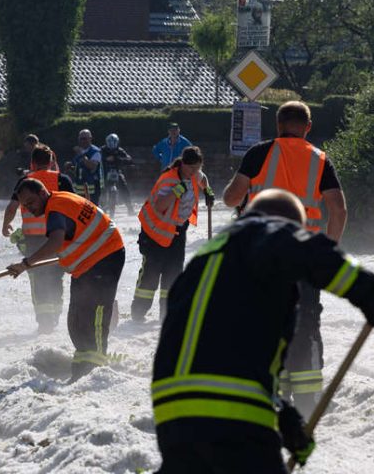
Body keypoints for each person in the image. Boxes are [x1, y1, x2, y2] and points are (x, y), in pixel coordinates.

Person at [151, 189, 374, 474]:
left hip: (173, 415)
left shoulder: (205, 261)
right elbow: (311, 250)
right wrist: (370, 292)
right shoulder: (266, 230)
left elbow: (224, 356)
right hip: (234, 414)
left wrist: (286, 423)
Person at [221, 100, 346, 418]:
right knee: (305, 325)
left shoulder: (259, 153)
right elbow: (339, 210)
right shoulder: (321, 159)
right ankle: (305, 403)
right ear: (308, 126)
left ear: (277, 125)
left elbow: (231, 198)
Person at [7, 179, 126, 381]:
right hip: (88, 264)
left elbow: (55, 242)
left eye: (30, 202)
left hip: (105, 257)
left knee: (94, 316)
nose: (28, 208)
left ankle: (95, 370)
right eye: (24, 206)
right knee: (77, 319)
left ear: (43, 193)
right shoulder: (59, 202)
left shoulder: (56, 209)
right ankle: (81, 368)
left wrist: (26, 263)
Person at [131, 146, 214, 323]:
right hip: (155, 233)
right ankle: (138, 312)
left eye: (198, 168)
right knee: (151, 273)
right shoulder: (168, 180)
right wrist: (177, 191)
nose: (195, 172)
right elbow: (160, 206)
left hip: (176, 232)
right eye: (192, 168)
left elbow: (203, 179)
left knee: (173, 273)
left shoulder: (195, 174)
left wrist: (208, 192)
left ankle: (166, 313)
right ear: (183, 164)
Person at [2, 145, 74, 333]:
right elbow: (74, 205)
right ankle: (56, 316)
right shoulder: (62, 179)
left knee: (38, 278)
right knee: (56, 277)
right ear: (51, 162)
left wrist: (5, 225)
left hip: (33, 238)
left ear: (32, 163)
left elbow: (11, 207)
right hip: (59, 236)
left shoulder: (25, 181)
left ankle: (44, 321)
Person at [100, 133, 135, 214]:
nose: (112, 145)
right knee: (102, 190)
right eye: (110, 142)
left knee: (124, 188)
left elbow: (129, 160)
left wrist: (117, 159)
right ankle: (102, 207)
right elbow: (97, 159)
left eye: (114, 142)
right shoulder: (102, 150)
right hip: (104, 173)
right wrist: (105, 159)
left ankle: (130, 208)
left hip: (116, 172)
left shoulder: (119, 150)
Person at [72, 129, 104, 205]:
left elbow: (92, 166)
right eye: (81, 139)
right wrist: (71, 167)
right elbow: (78, 169)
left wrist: (82, 155)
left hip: (92, 189)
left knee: (93, 210)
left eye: (85, 138)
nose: (83, 141)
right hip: (80, 189)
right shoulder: (79, 152)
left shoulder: (95, 152)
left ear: (90, 138)